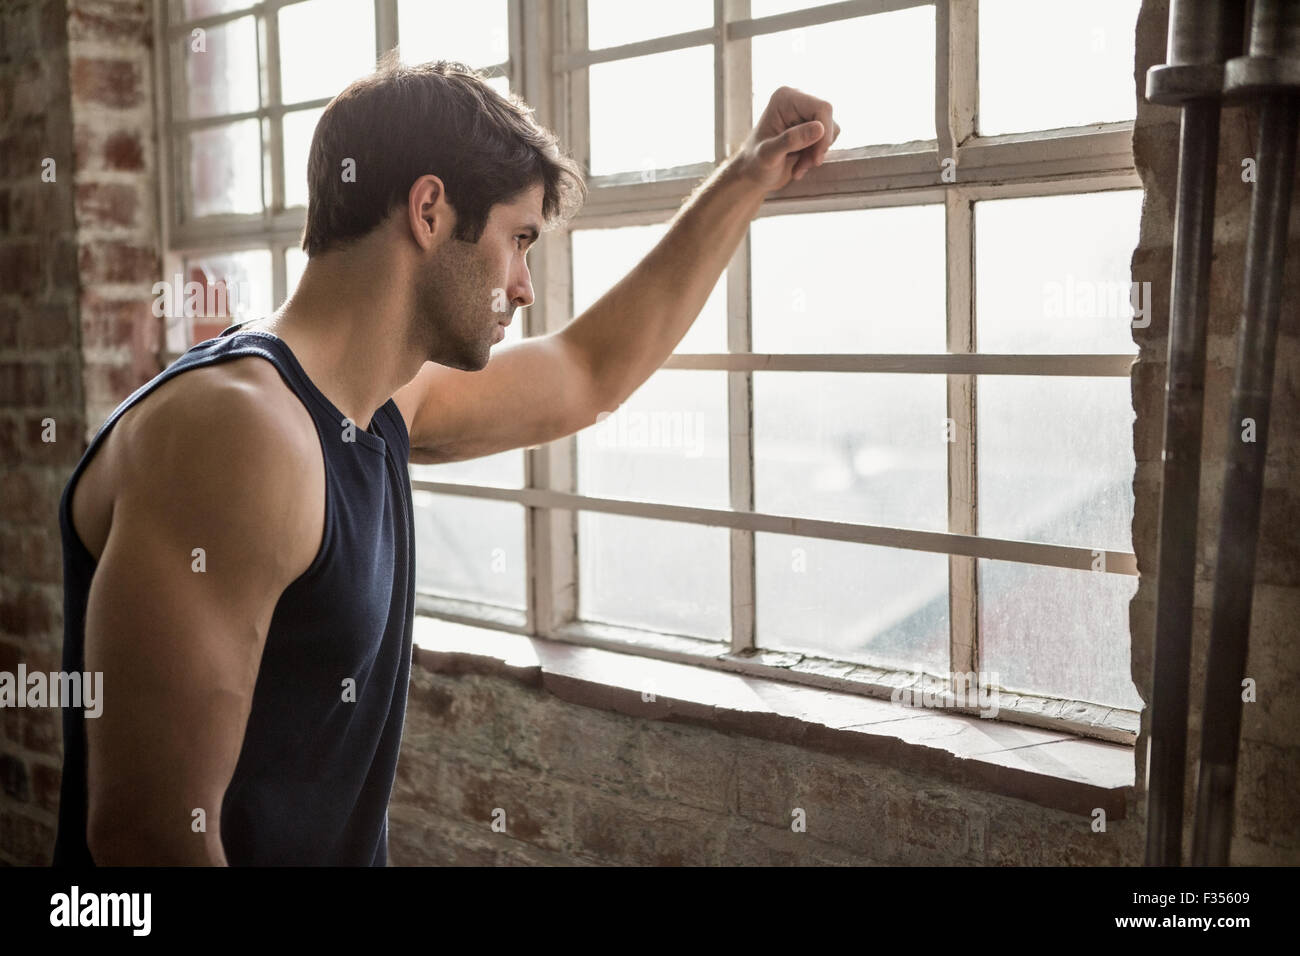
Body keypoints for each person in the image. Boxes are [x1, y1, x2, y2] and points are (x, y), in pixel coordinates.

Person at [53, 54, 838, 866]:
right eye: (517, 240)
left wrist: (748, 178)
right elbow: (148, 840)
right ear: (429, 210)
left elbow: (588, 373)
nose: (525, 286)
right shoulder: (236, 435)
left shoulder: (378, 401)